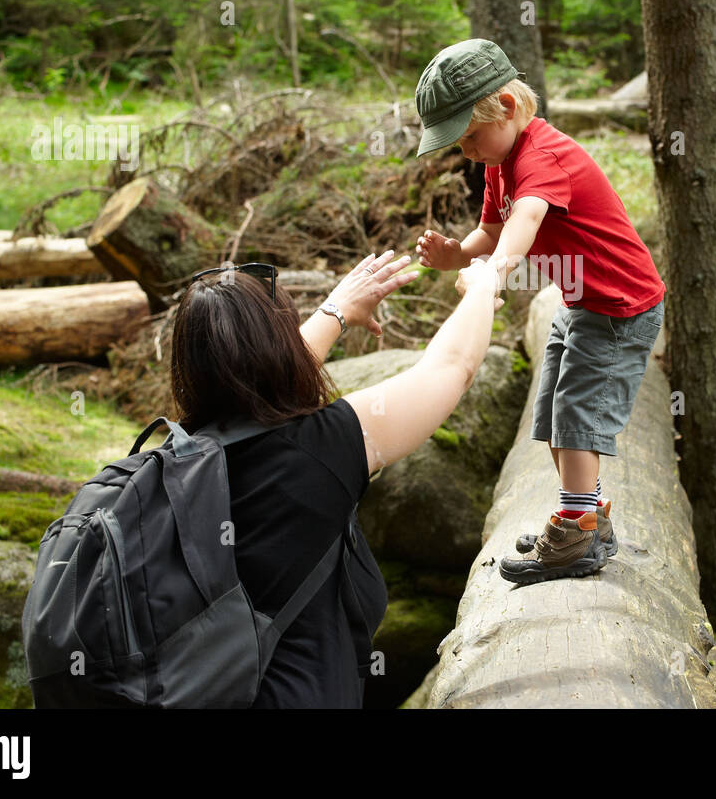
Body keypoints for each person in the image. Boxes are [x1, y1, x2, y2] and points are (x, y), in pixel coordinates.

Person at [169, 250, 504, 707]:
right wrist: (483, 287)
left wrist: (336, 312)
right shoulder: (318, 448)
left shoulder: (174, 459)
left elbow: (252, 379)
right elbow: (450, 369)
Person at [412, 38, 666, 585]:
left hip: (619, 307)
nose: (468, 153)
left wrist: (497, 273)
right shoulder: (501, 161)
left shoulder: (541, 155)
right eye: (459, 144)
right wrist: (458, 254)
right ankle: (586, 517)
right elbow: (494, 229)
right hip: (584, 303)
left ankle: (575, 534)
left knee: (578, 414)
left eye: (471, 137)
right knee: (552, 408)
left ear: (506, 106)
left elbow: (526, 220)